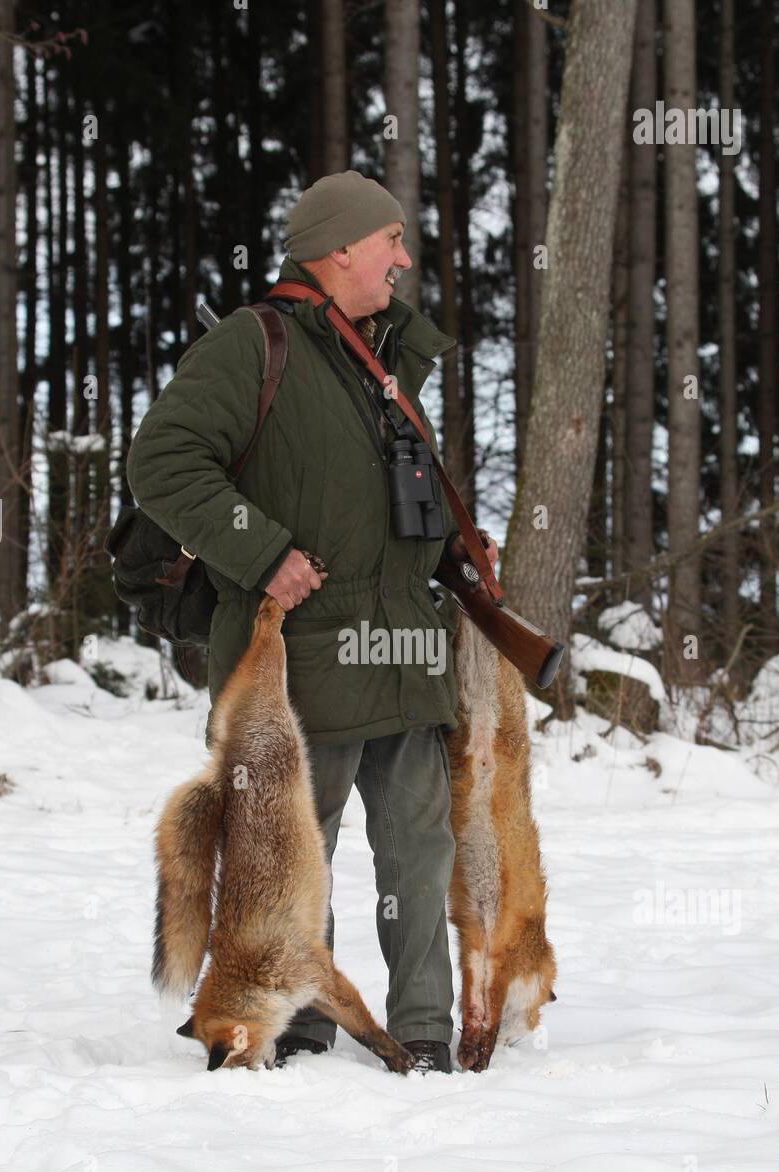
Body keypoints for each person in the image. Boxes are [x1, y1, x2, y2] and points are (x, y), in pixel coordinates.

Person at [127, 169, 499, 1073]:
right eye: (391, 243)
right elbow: (161, 462)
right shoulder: (253, 346)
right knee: (291, 863)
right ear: (339, 250)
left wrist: (454, 552)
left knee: (419, 851)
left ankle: (422, 1031)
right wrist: (262, 551)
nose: (405, 261)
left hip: (405, 655)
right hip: (298, 664)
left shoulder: (385, 359)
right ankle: (292, 1024)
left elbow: (380, 506)